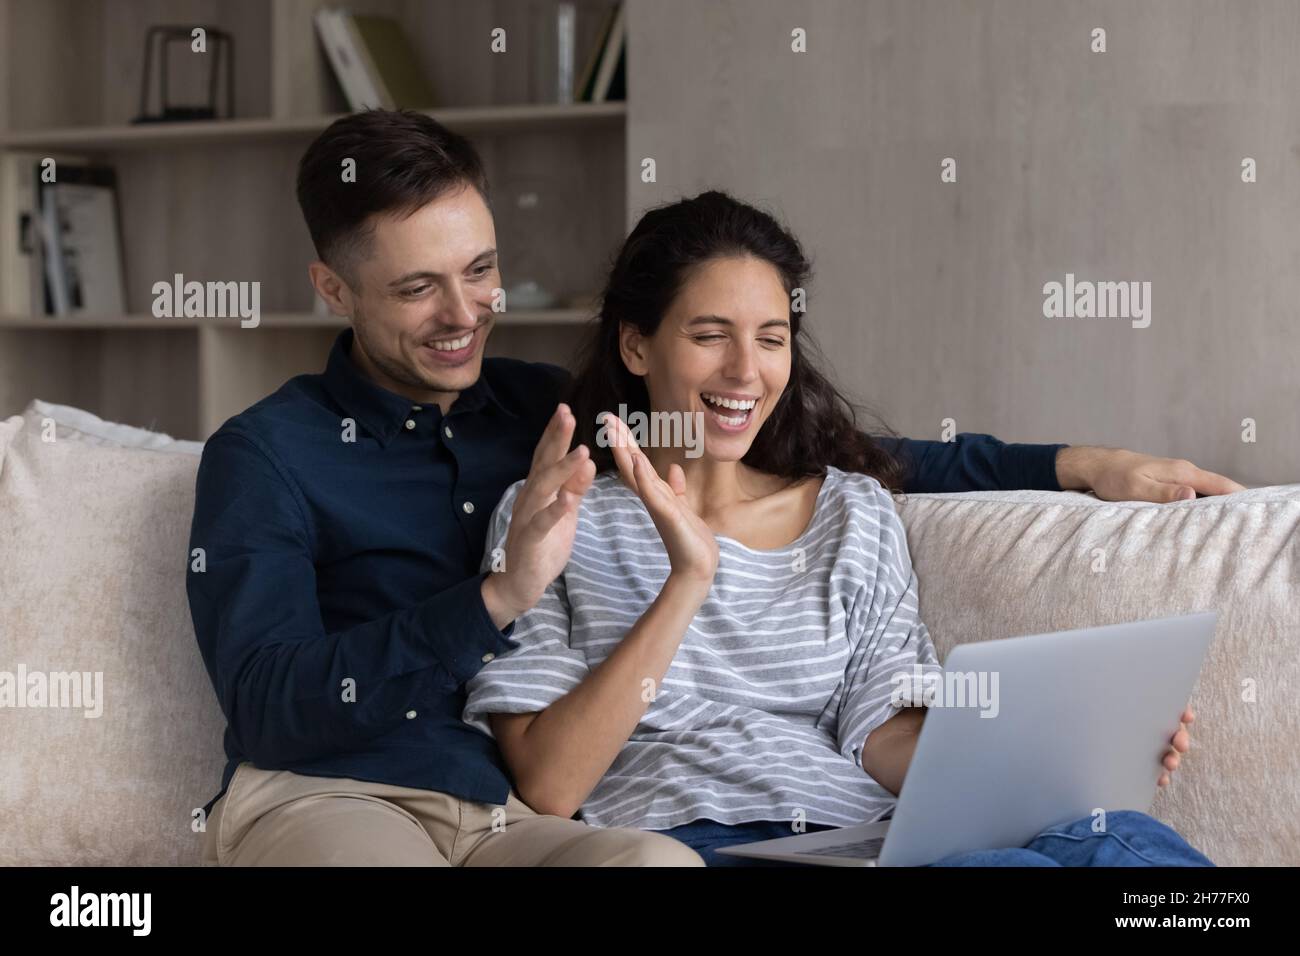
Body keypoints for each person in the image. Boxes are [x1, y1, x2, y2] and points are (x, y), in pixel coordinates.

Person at [188, 109, 1235, 866]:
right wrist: (508, 594)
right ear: (332, 288)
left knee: (1129, 848)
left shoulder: (544, 411)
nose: (464, 313)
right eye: (418, 288)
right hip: (354, 788)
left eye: (480, 271)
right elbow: (276, 702)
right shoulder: (277, 454)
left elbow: (848, 454)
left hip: (536, 818)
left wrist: (1071, 471)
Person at [462, 190, 1212, 867]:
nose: (744, 371)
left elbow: (884, 733)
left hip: (860, 835)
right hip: (694, 840)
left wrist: (1068, 760)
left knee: (1119, 841)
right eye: (710, 335)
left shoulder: (851, 511)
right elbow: (553, 785)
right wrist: (689, 579)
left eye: (769, 337)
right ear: (635, 345)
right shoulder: (556, 515)